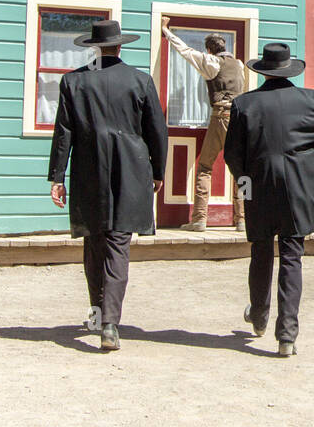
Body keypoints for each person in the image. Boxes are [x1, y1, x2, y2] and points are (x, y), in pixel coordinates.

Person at [48, 19, 167, 352]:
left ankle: (100, 314)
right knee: (118, 244)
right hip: (130, 170)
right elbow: (157, 131)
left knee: (94, 242)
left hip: (89, 169)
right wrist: (158, 171)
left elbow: (63, 133)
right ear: (120, 46)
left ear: (94, 48)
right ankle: (110, 324)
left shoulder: (73, 82)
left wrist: (57, 176)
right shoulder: (140, 81)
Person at [223, 42, 314, 357]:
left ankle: (260, 315)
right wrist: (308, 148)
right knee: (292, 257)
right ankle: (287, 336)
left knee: (261, 252)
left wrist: (245, 188)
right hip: (299, 189)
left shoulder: (244, 104)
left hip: (259, 187)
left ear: (262, 71)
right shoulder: (312, 100)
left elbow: (234, 156)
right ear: (290, 70)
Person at [159, 19, 245, 232]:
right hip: (239, 118)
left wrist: (166, 31)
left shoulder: (211, 62)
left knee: (205, 167)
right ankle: (242, 219)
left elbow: (185, 51)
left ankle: (199, 218)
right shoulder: (239, 64)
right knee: (240, 169)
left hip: (221, 115)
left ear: (209, 49)